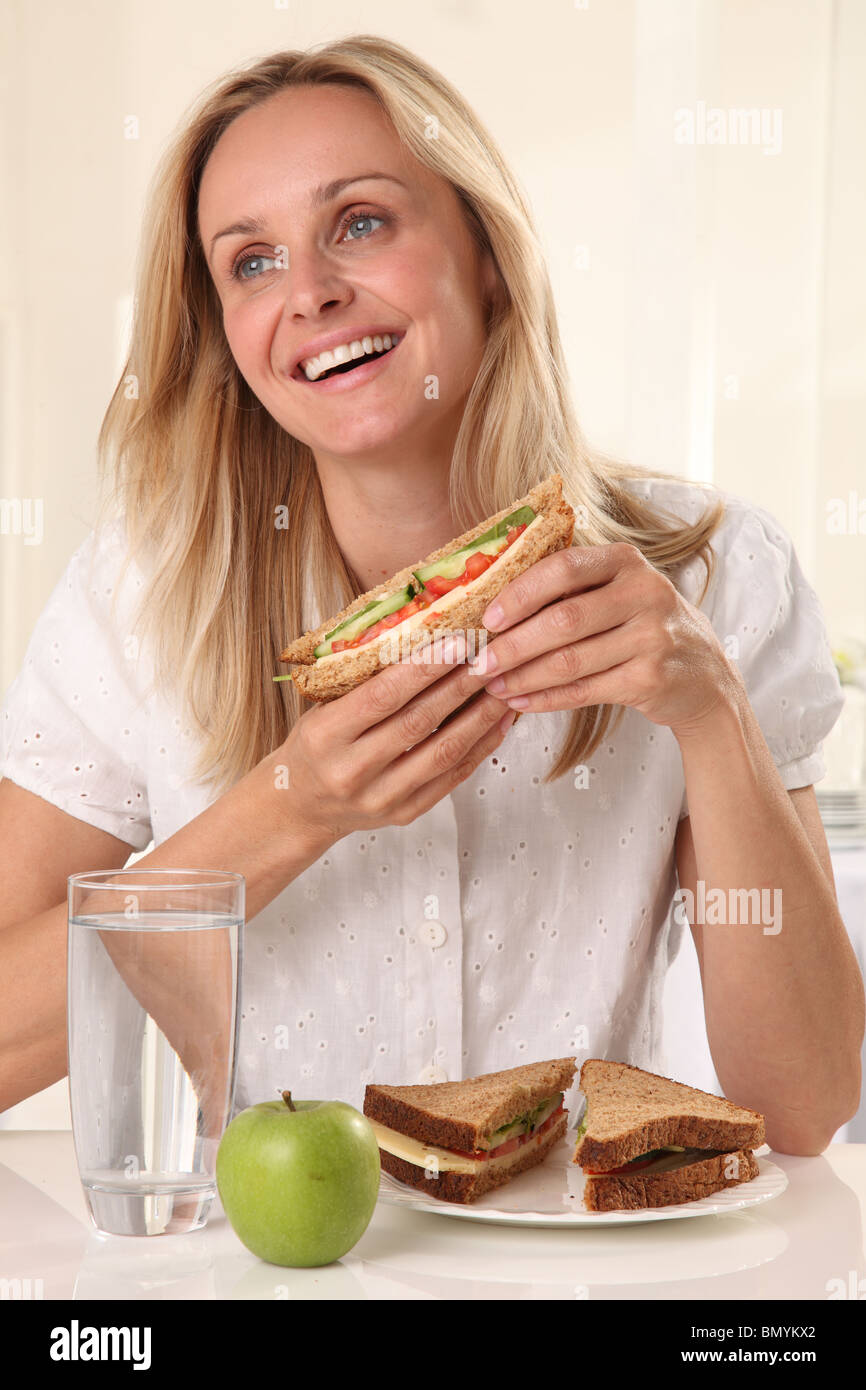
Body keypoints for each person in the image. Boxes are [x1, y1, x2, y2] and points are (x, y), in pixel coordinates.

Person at [0, 35, 862, 1151]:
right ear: (223, 336)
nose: (308, 291)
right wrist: (289, 807)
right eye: (249, 261)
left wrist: (709, 711)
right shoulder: (140, 595)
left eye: (359, 222)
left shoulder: (710, 572)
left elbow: (804, 1103)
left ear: (486, 252)